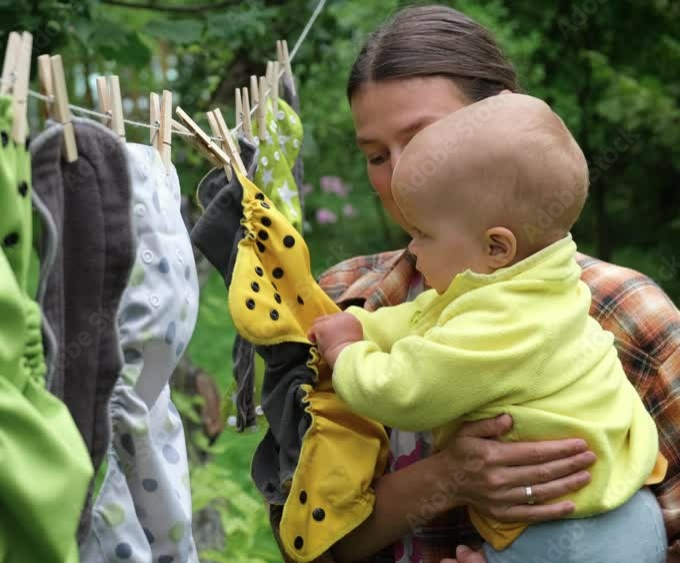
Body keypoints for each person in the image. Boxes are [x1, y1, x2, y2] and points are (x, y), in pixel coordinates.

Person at [282, 5, 680, 563]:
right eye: (375, 155)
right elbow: (300, 539)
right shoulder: (343, 296)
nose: (398, 175)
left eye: (425, 140)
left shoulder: (626, 312)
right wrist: (447, 477)